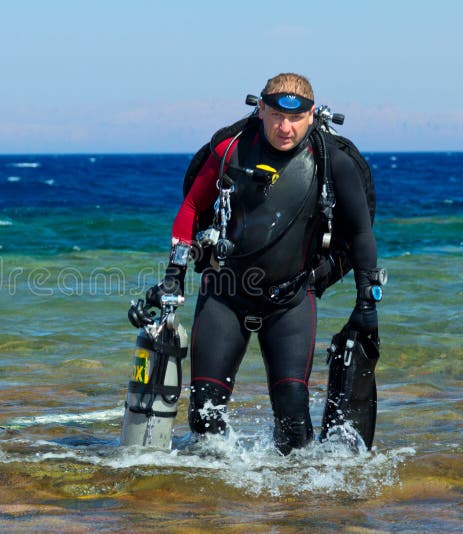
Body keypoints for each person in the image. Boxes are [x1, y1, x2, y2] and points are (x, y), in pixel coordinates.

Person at [145, 73, 380, 455]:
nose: (284, 128)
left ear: (312, 116)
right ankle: (204, 511)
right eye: (275, 116)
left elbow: (361, 234)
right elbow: (191, 207)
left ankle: (292, 509)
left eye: (296, 118)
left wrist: (367, 303)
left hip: (289, 302)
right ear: (260, 110)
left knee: (293, 421)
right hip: (225, 295)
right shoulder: (229, 150)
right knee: (204, 416)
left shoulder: (332, 162)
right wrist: (175, 275)